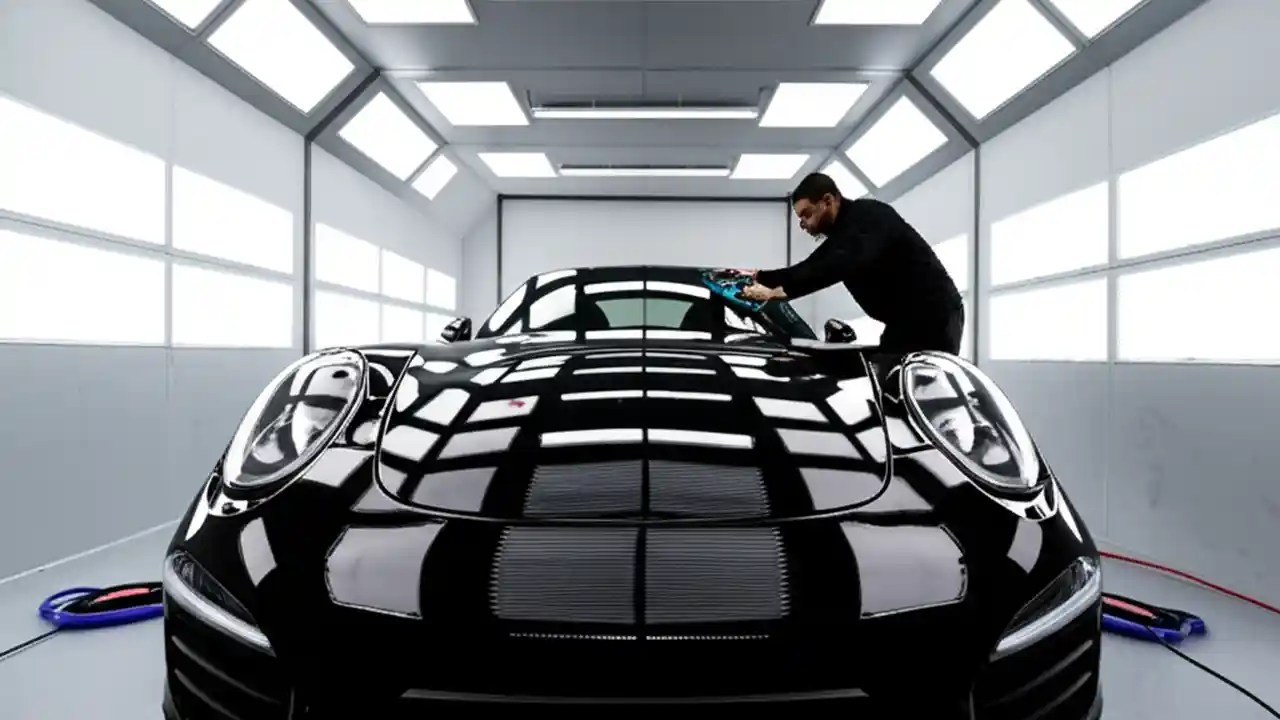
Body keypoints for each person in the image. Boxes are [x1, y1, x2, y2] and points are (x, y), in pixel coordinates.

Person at [742, 172, 964, 355]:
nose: (803, 224)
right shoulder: (844, 233)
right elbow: (813, 264)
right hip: (904, 323)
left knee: (916, 386)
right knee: (887, 377)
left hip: (934, 318)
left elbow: (831, 265)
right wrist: (760, 276)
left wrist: (778, 291)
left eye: (807, 214)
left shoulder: (867, 217)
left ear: (828, 201)